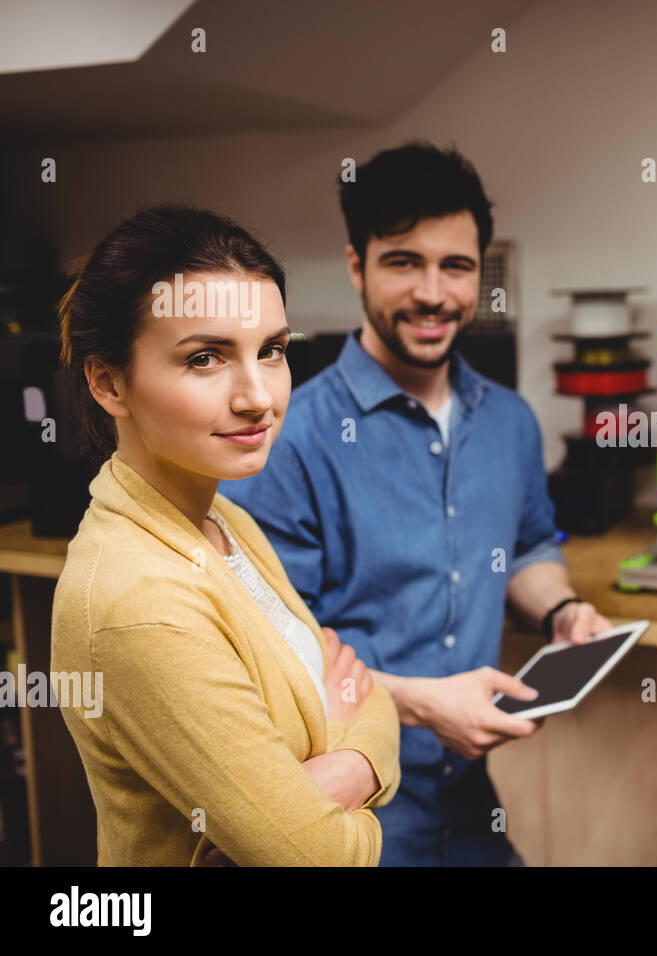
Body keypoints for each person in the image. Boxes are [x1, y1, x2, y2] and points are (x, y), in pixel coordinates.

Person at [220, 142, 611, 866]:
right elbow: (273, 655)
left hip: (468, 797)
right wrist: (426, 706)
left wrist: (561, 611)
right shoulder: (288, 441)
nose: (434, 292)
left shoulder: (510, 422)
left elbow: (526, 546)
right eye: (404, 261)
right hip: (348, 806)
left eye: (456, 266)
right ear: (355, 266)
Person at [51, 205, 401, 866]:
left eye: (271, 350)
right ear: (108, 382)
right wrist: (362, 753)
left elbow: (362, 690)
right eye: (205, 358)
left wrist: (345, 764)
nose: (257, 396)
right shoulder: (139, 603)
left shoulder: (224, 519)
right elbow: (318, 855)